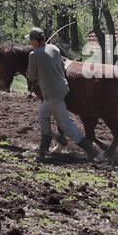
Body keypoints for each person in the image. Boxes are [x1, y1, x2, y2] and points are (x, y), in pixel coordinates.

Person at [25, 27, 96, 162]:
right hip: (62, 89)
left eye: (30, 40)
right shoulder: (54, 49)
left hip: (51, 94)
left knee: (65, 125)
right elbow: (62, 68)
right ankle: (44, 148)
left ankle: (89, 148)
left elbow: (32, 76)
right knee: (42, 117)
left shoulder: (33, 55)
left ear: (34, 40)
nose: (30, 42)